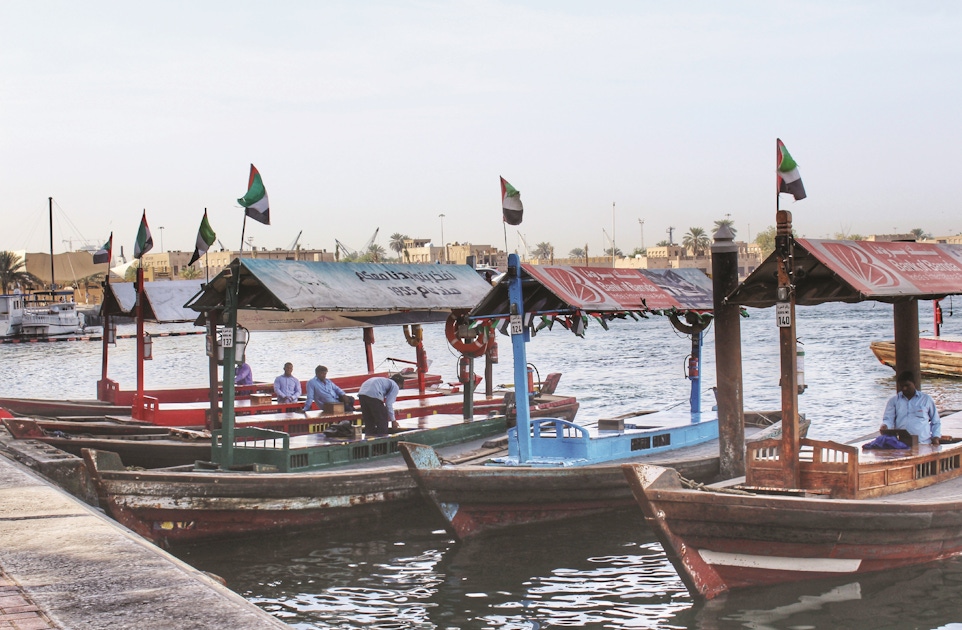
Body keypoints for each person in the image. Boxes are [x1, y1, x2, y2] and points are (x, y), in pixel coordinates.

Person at [880, 371, 941, 445]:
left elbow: (936, 421)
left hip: (923, 443)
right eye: (901, 386)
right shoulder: (894, 401)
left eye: (907, 385)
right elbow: (888, 419)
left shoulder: (926, 399)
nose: (904, 388)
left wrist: (936, 437)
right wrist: (885, 426)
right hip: (901, 444)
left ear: (914, 383)